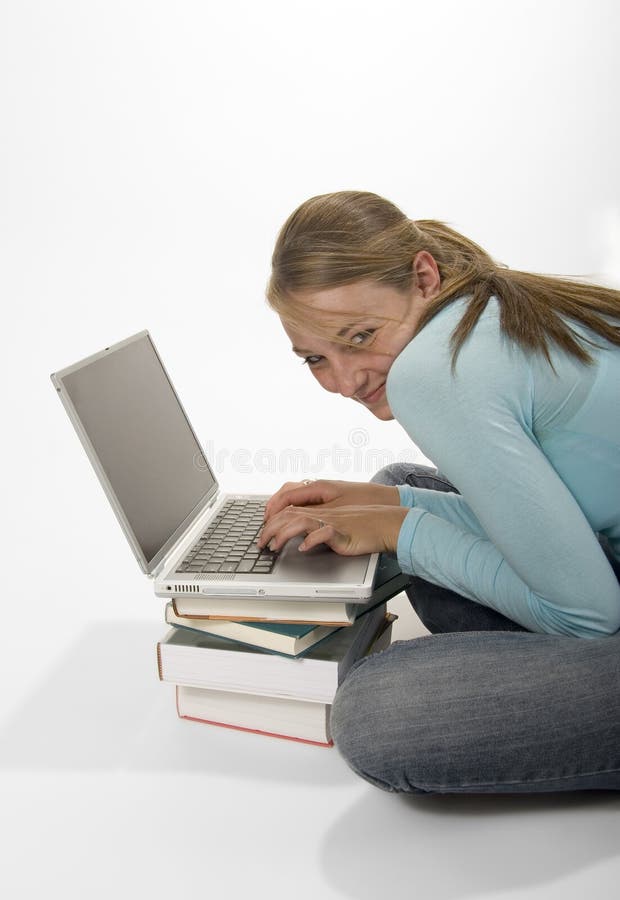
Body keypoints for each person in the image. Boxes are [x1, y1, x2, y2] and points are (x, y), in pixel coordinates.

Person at [258, 190, 620, 794]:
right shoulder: (480, 303)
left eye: (359, 335)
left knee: (379, 712)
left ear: (423, 277)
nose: (347, 380)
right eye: (315, 358)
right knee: (396, 487)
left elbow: (589, 616)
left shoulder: (431, 372)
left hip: (599, 604)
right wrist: (396, 509)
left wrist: (404, 531)